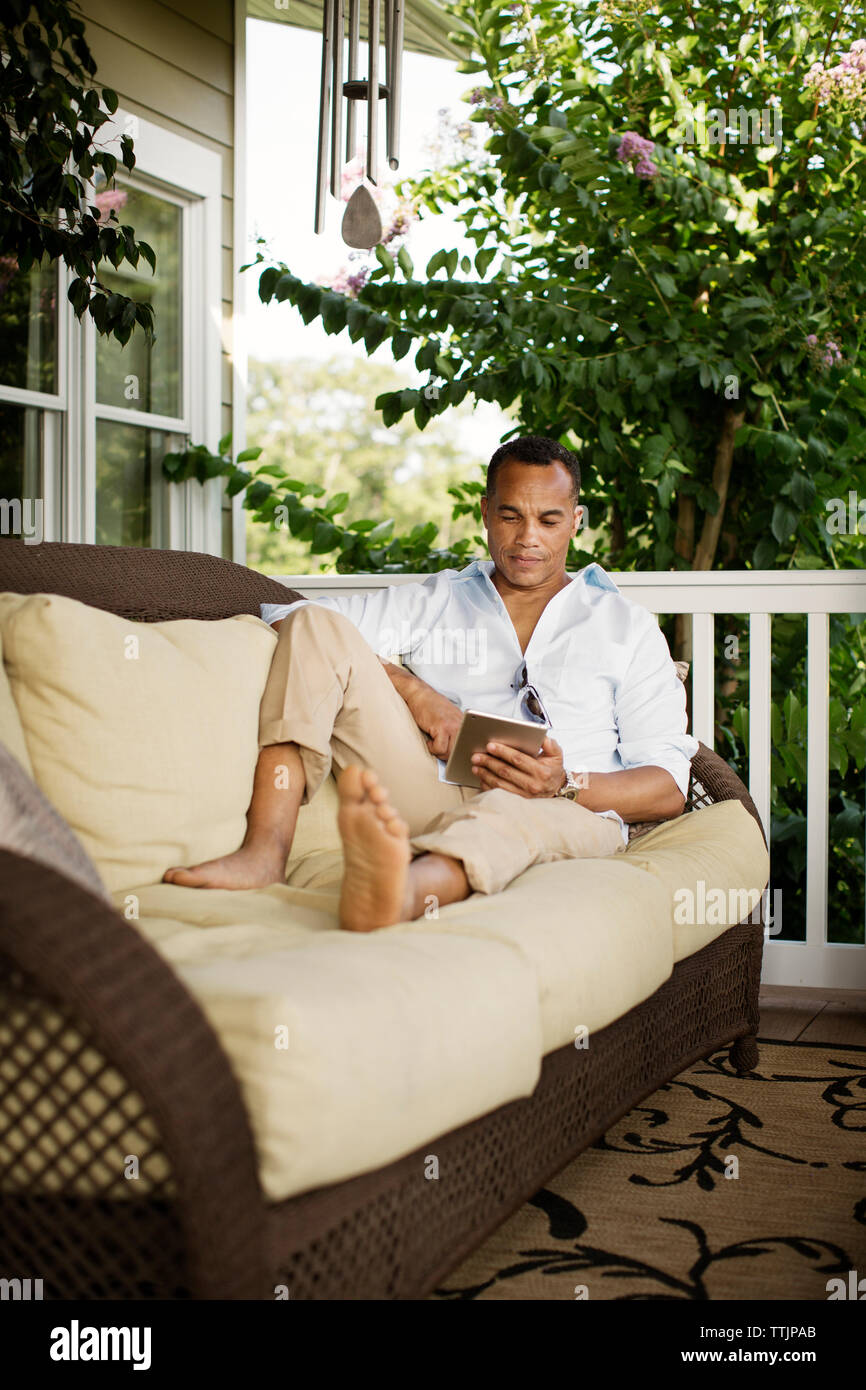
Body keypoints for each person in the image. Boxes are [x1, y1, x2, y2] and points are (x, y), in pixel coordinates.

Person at [163, 436, 698, 931]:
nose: (527, 538)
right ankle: (265, 850)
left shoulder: (626, 625)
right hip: (436, 787)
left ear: (577, 521)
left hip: (572, 810)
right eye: (510, 516)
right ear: (485, 513)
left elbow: (671, 789)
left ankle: (399, 894)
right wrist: (416, 693)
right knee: (317, 627)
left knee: (510, 811)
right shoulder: (442, 598)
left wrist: (564, 782)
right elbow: (287, 616)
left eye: (549, 520)